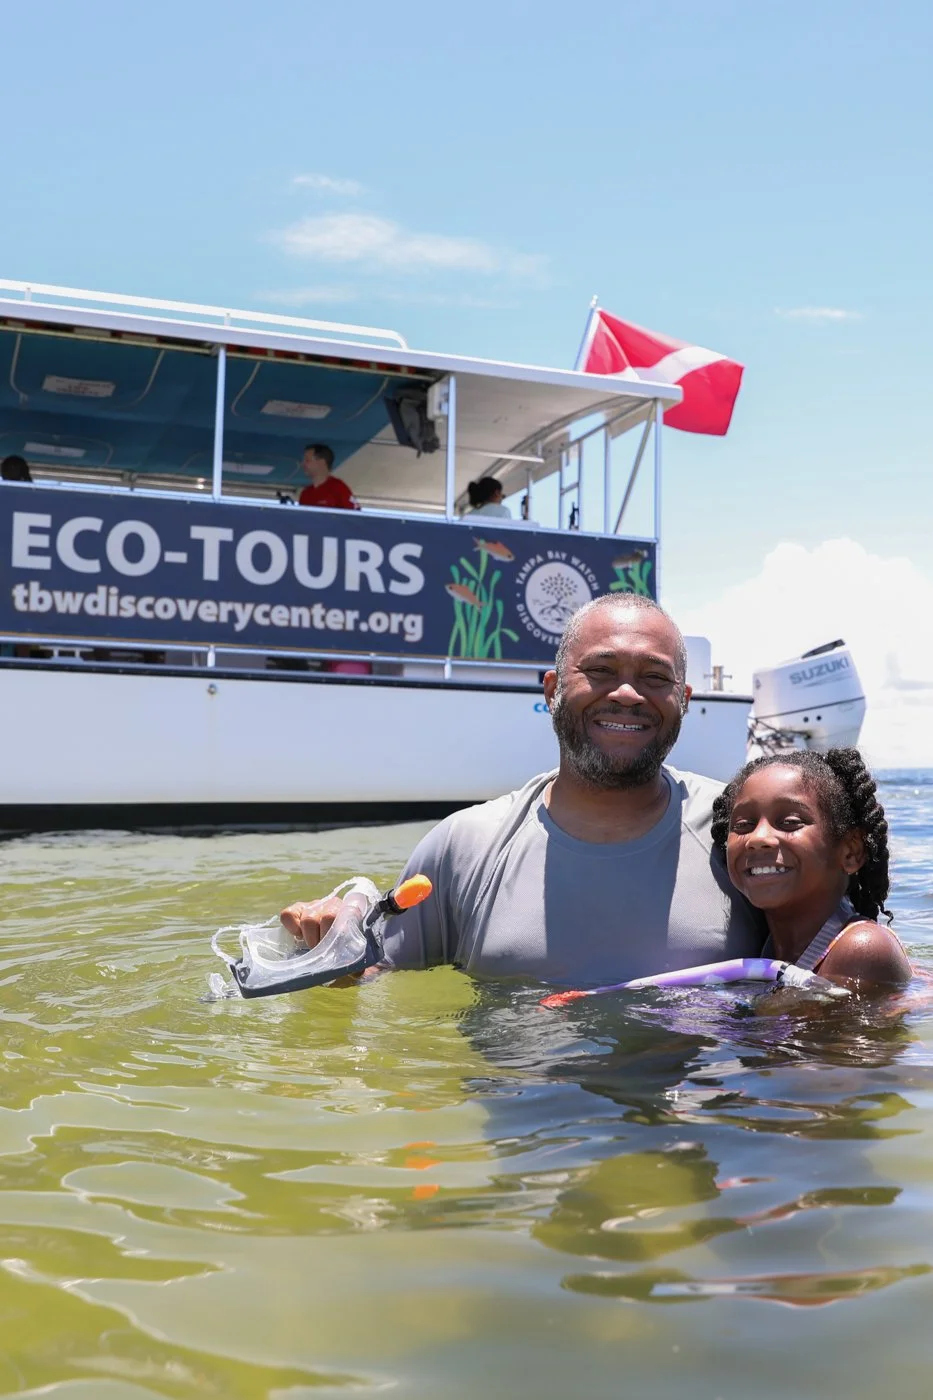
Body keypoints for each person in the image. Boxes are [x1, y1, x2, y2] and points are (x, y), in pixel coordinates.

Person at [280, 593, 764, 985]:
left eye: (655, 677)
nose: (627, 694)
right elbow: (372, 984)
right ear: (552, 690)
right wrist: (322, 944)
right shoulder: (464, 847)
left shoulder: (742, 832)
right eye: (600, 670)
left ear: (683, 700)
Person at [711, 749, 911, 988]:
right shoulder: (767, 947)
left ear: (851, 852)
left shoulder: (861, 948)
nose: (758, 837)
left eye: (790, 822)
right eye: (743, 825)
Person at [296, 444, 359, 510]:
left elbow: (355, 514)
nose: (303, 464)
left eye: (307, 460)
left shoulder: (338, 488)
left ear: (321, 462)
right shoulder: (305, 493)